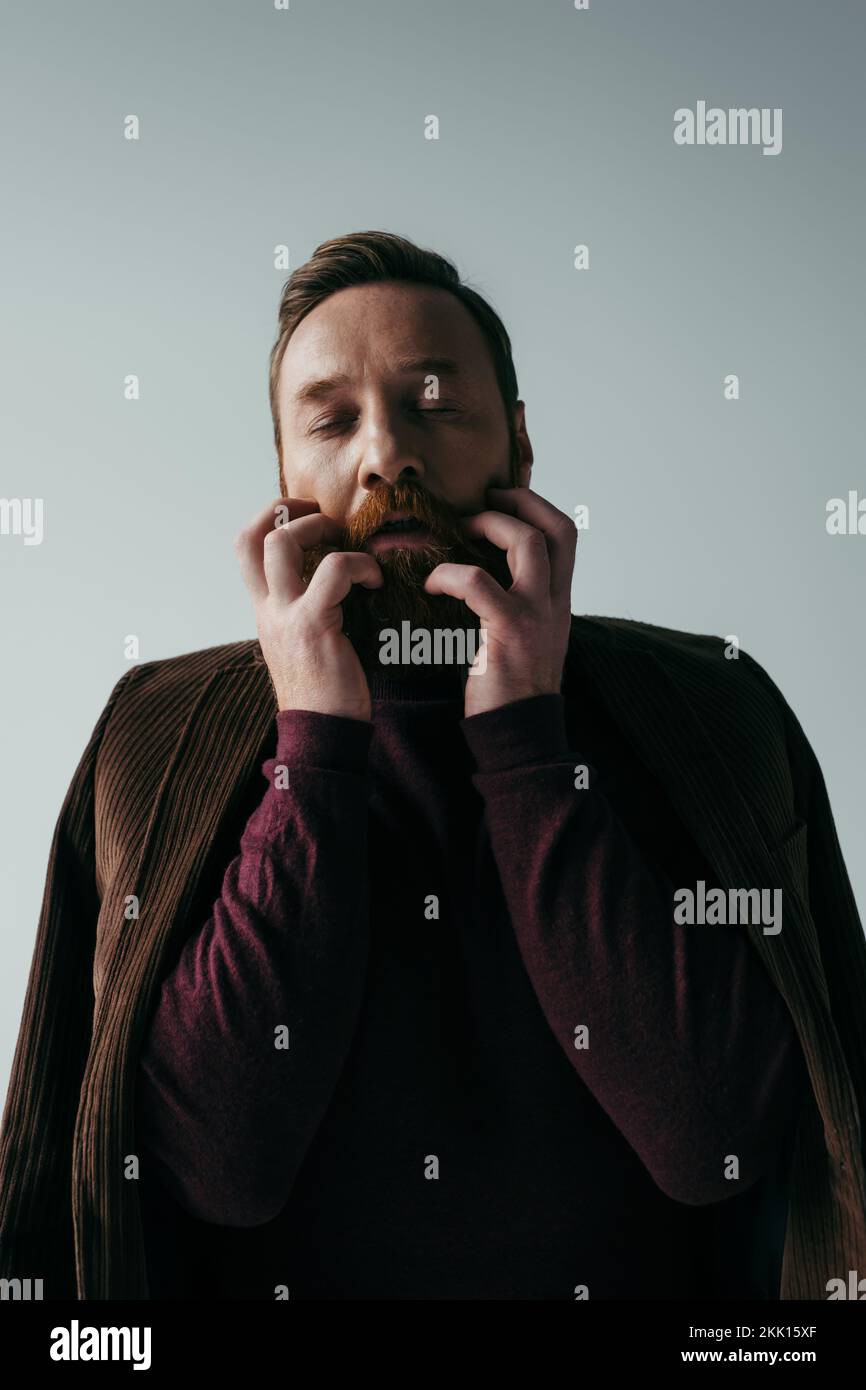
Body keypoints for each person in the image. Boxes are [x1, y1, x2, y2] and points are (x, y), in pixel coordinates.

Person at [2, 231, 864, 1301]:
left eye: (432, 403)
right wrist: (312, 743)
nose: (385, 455)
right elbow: (210, 1169)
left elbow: (717, 1141)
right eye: (331, 418)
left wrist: (526, 747)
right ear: (283, 479)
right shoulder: (154, 732)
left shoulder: (712, 708)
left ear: (517, 446)